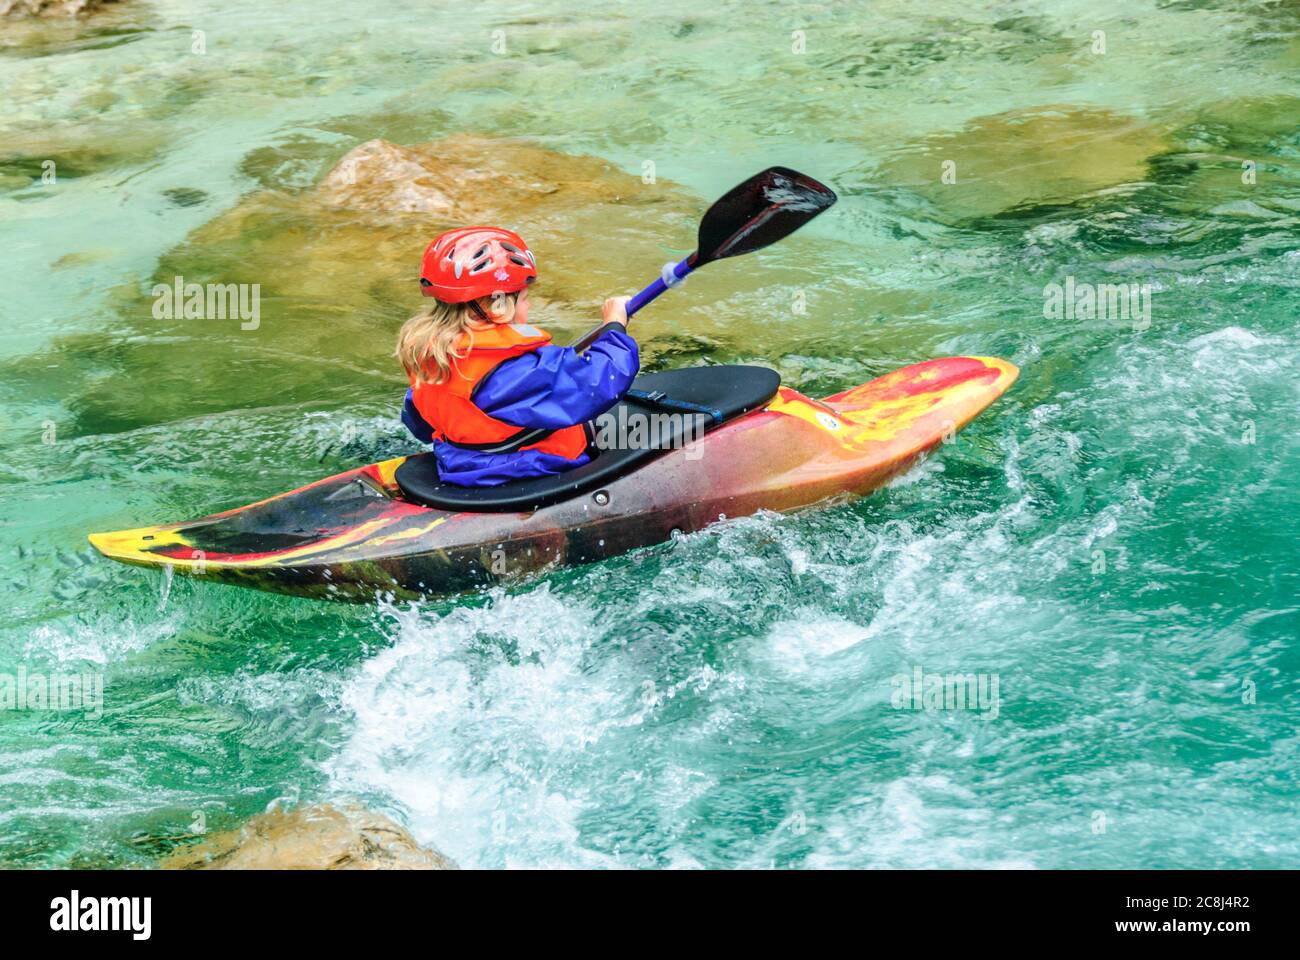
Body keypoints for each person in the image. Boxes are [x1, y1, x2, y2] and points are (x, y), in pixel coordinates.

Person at [395, 226, 639, 487]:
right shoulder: (515, 371)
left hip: (458, 465)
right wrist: (615, 327)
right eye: (524, 298)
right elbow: (597, 385)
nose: (529, 305)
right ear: (498, 306)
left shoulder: (433, 357)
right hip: (526, 469)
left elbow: (419, 425)